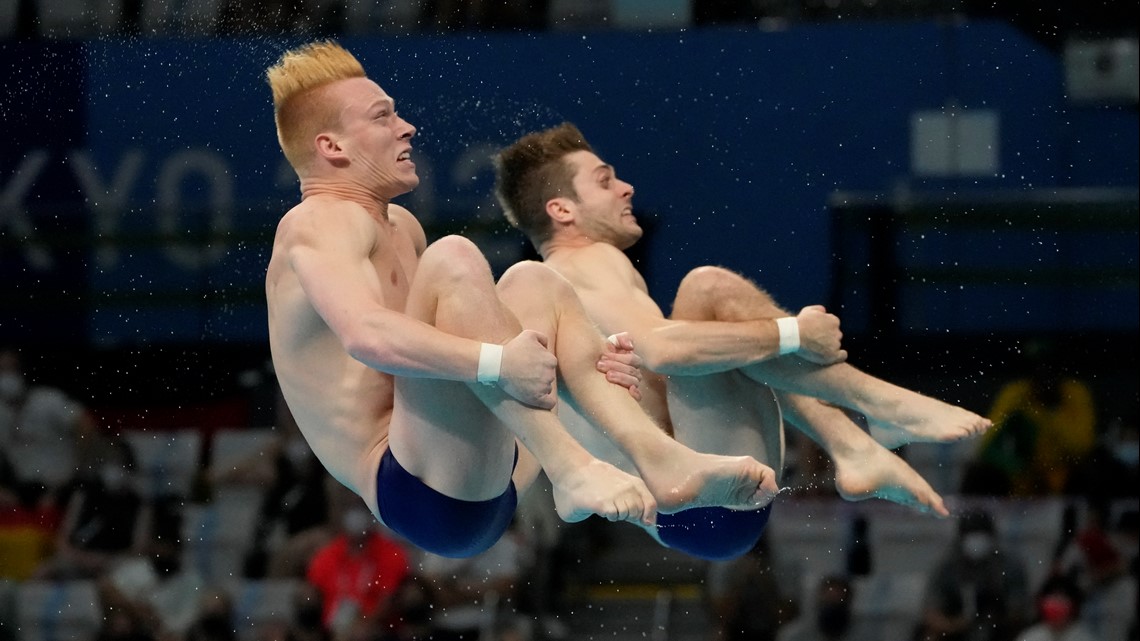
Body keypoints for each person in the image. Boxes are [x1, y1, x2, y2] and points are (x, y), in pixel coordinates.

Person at [264, 42, 776, 560]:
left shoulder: (401, 226)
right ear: (332, 146)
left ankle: (657, 458)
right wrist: (499, 362)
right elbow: (366, 336)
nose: (406, 128)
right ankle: (571, 468)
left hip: (482, 468)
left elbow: (462, 339)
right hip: (414, 488)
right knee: (456, 258)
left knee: (535, 281)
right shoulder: (315, 222)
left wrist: (588, 361)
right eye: (383, 117)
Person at [491, 122, 992, 551]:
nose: (626, 188)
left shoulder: (561, 288)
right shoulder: (588, 263)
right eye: (605, 181)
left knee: (716, 333)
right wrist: (795, 332)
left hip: (688, 515)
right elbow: (665, 349)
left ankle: (856, 441)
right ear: (562, 211)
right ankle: (876, 409)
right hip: (708, 495)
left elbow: (672, 358)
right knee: (707, 290)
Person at [916, 509, 1030, 641]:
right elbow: (932, 613)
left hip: (1000, 629)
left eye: (981, 535)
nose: (976, 542)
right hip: (956, 629)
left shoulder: (1008, 566)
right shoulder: (948, 568)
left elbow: (1020, 610)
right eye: (971, 535)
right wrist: (959, 624)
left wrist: (991, 615)